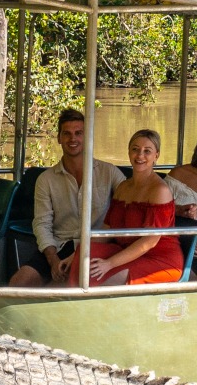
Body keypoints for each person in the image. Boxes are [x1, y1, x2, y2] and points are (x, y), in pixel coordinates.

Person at [9, 108, 124, 286]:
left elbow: (133, 198)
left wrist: (177, 208)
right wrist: (52, 260)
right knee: (19, 282)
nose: (73, 139)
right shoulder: (45, 179)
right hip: (60, 245)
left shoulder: (109, 172)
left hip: (96, 246)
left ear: (87, 136)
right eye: (67, 134)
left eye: (79, 133)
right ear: (59, 138)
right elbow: (42, 223)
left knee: (74, 281)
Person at [83, 129, 184, 286]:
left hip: (159, 259)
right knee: (83, 260)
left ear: (156, 156)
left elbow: (148, 242)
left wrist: (109, 263)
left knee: (110, 279)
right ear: (129, 152)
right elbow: (106, 230)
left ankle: (87, 307)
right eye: (135, 149)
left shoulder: (160, 190)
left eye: (147, 151)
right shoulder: (123, 187)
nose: (140, 155)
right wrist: (80, 252)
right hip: (126, 252)